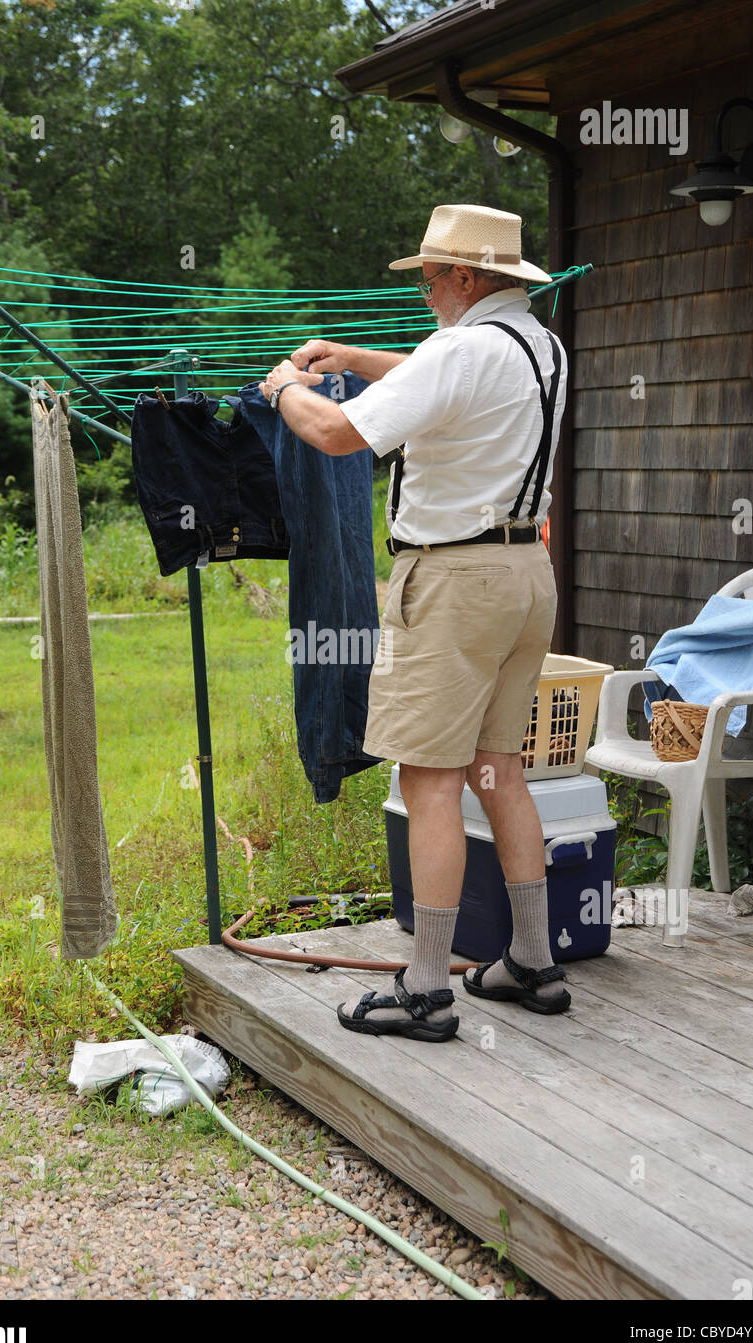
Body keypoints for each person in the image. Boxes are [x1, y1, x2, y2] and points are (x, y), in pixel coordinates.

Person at [258, 204, 570, 1042]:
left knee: (428, 779)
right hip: (524, 575)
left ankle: (425, 989)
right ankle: (532, 961)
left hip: (453, 580)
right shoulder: (537, 344)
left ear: (464, 277)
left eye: (430, 281)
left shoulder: (460, 350)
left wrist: (285, 389)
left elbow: (334, 434)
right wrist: (356, 358)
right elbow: (447, 377)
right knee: (498, 768)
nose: (426, 295)